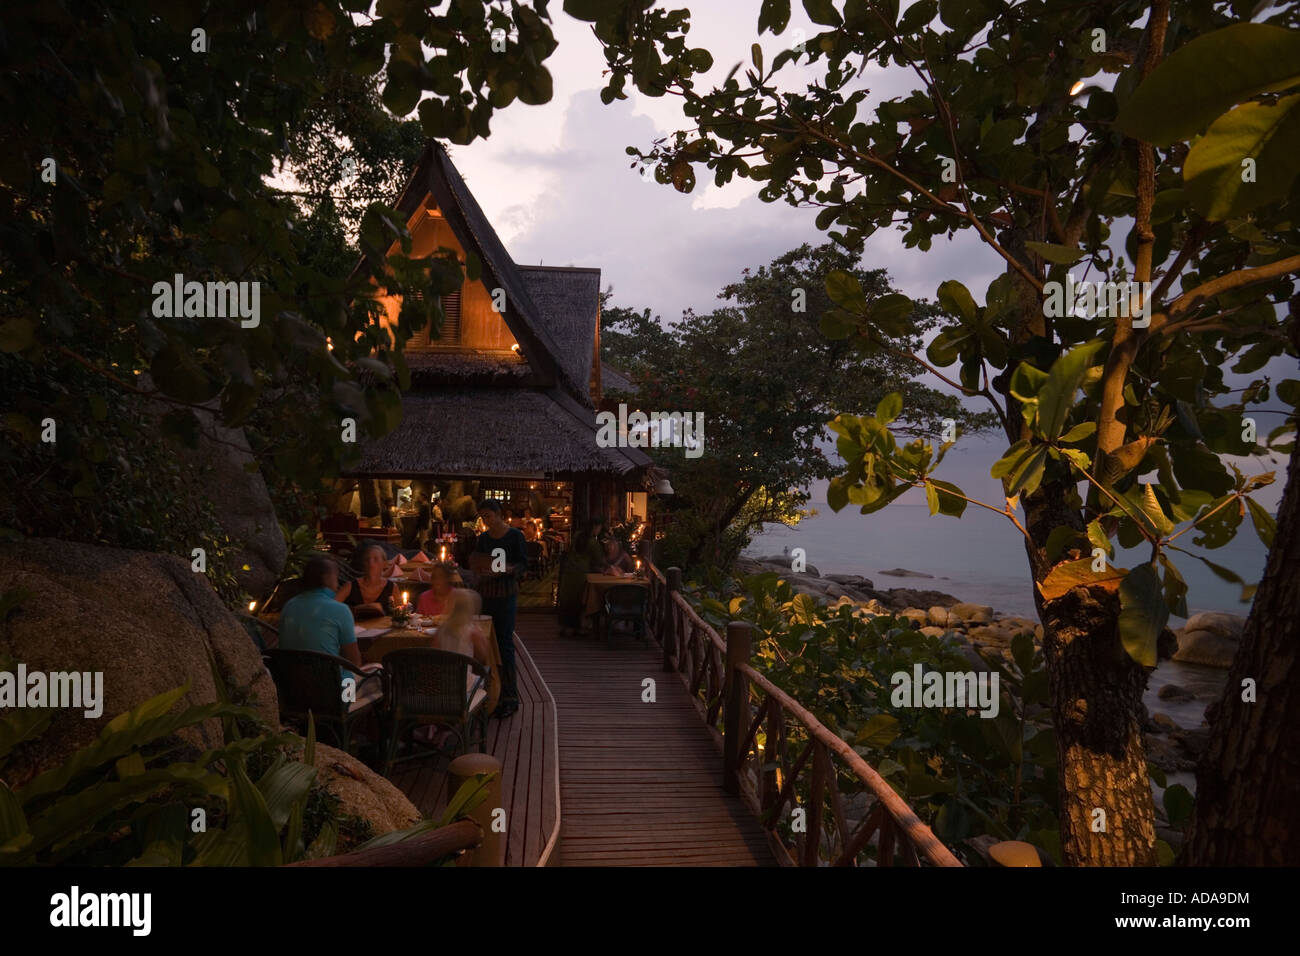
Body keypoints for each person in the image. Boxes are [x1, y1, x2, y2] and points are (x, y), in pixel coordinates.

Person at [279, 556, 381, 696]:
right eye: (336, 576)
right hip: (333, 694)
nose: (337, 582)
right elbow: (354, 662)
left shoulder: (289, 606)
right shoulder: (339, 610)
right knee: (379, 672)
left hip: (294, 690)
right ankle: (359, 712)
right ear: (326, 578)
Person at [471, 499, 526, 718]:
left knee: (504, 643)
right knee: (485, 643)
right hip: (487, 594)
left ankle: (510, 696)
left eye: (489, 516)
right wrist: (480, 570)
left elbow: (523, 563)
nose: (486, 521)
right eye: (483, 517)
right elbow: (477, 561)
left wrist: (510, 569)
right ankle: (488, 692)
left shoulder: (515, 536)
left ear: (499, 515)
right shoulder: (483, 538)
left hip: (506, 595)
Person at [556, 523, 607, 636]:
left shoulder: (577, 535)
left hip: (569, 572)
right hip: (581, 574)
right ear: (596, 527)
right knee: (578, 602)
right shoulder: (592, 542)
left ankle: (564, 628)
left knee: (567, 601)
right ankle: (577, 629)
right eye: (599, 528)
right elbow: (600, 559)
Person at [335, 542, 396, 619]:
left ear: (385, 564)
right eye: (367, 559)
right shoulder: (350, 586)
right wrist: (360, 608)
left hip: (382, 629)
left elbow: (401, 613)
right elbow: (332, 608)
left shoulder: (392, 587)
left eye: (376, 559)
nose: (371, 563)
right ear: (363, 564)